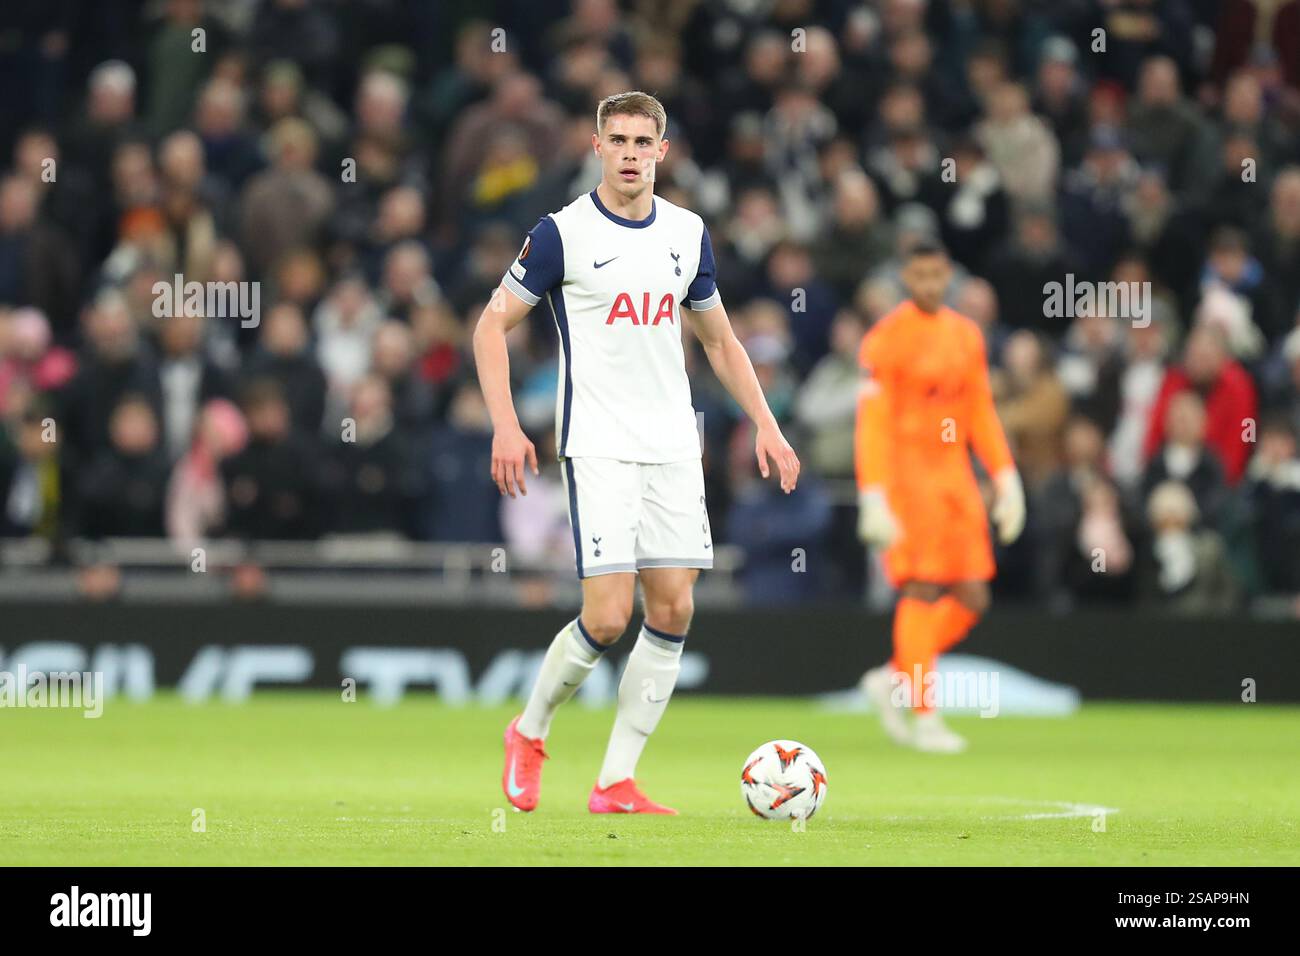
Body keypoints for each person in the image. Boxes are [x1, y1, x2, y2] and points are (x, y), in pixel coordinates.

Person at [473, 91, 800, 814]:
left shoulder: (687, 232)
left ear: (662, 150)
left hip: (675, 445)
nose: (628, 153)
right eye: (615, 139)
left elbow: (719, 340)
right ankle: (528, 732)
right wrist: (505, 422)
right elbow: (490, 327)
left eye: (640, 141)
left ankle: (615, 779)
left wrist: (767, 425)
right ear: (596, 148)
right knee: (610, 616)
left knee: (676, 607)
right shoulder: (562, 233)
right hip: (597, 443)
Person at [854, 240, 1026, 753]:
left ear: (948, 274)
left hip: (955, 477)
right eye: (919, 276)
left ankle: (892, 679)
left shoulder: (966, 335)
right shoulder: (886, 340)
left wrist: (1005, 475)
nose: (929, 284)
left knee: (974, 595)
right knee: (922, 588)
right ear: (907, 278)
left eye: (937, 275)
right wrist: (874, 493)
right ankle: (926, 716)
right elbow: (874, 422)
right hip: (909, 476)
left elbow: (980, 410)